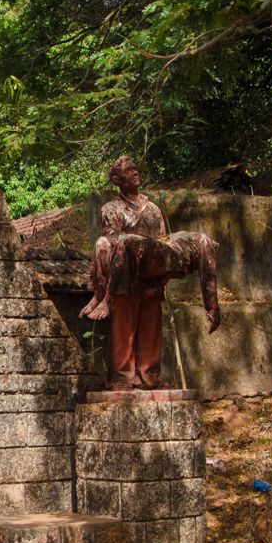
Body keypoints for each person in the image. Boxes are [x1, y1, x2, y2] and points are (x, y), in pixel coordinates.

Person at [81, 155, 221, 389]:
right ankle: (123, 376)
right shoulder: (112, 208)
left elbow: (162, 242)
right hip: (125, 277)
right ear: (117, 179)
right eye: (129, 170)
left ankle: (150, 375)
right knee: (124, 325)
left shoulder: (153, 209)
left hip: (151, 271)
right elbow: (112, 242)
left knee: (150, 326)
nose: (135, 172)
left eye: (136, 168)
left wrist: (162, 275)